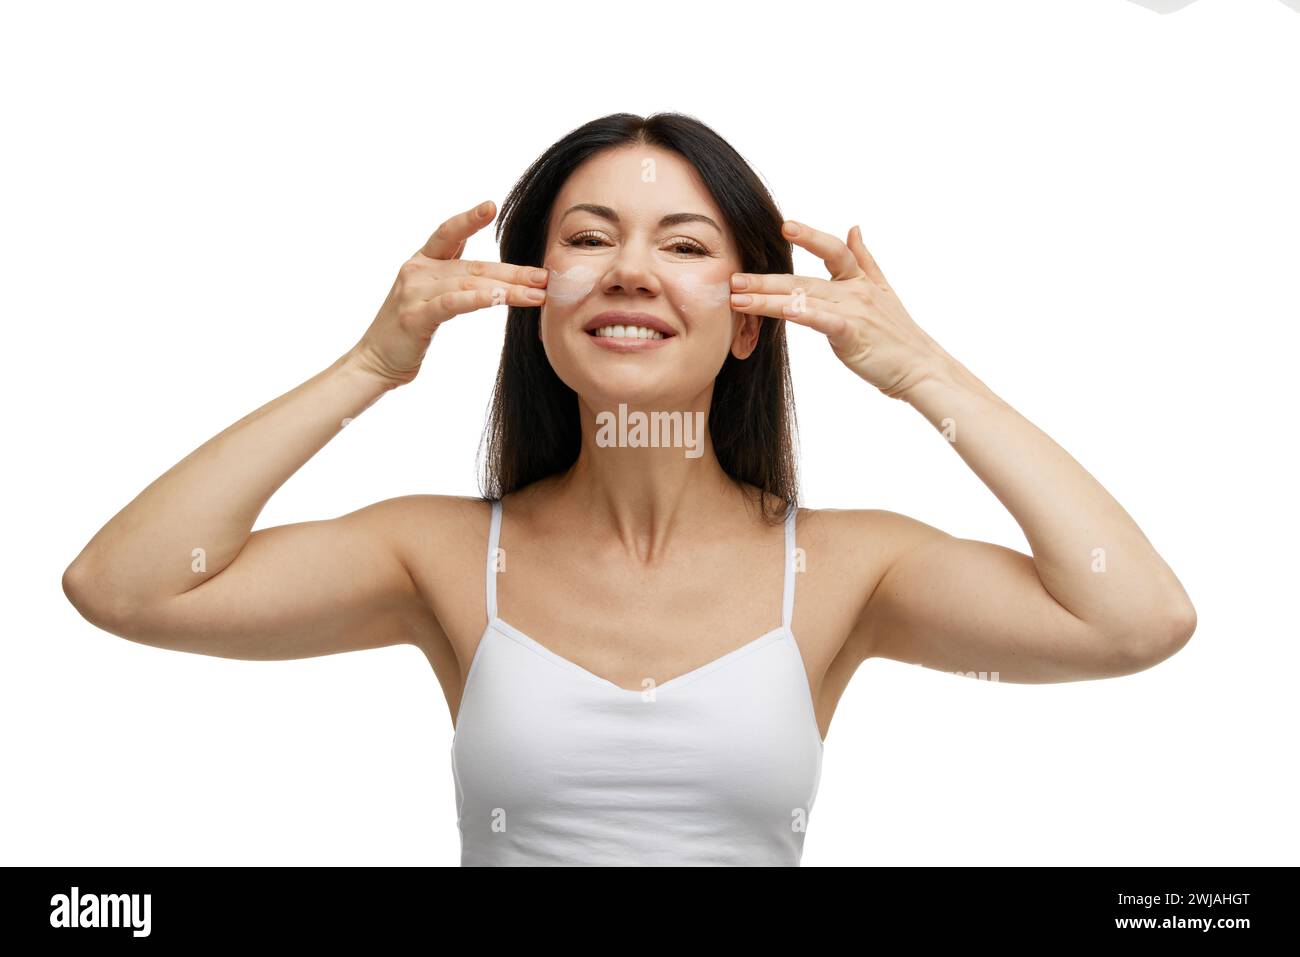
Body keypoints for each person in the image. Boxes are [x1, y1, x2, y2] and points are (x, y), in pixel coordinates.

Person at [61, 112, 1196, 866]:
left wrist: (923, 372)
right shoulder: (441, 557)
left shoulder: (849, 569)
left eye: (687, 246)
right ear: (531, 294)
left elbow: (1135, 619)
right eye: (588, 238)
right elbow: (127, 587)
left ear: (751, 317)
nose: (631, 271)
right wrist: (368, 368)